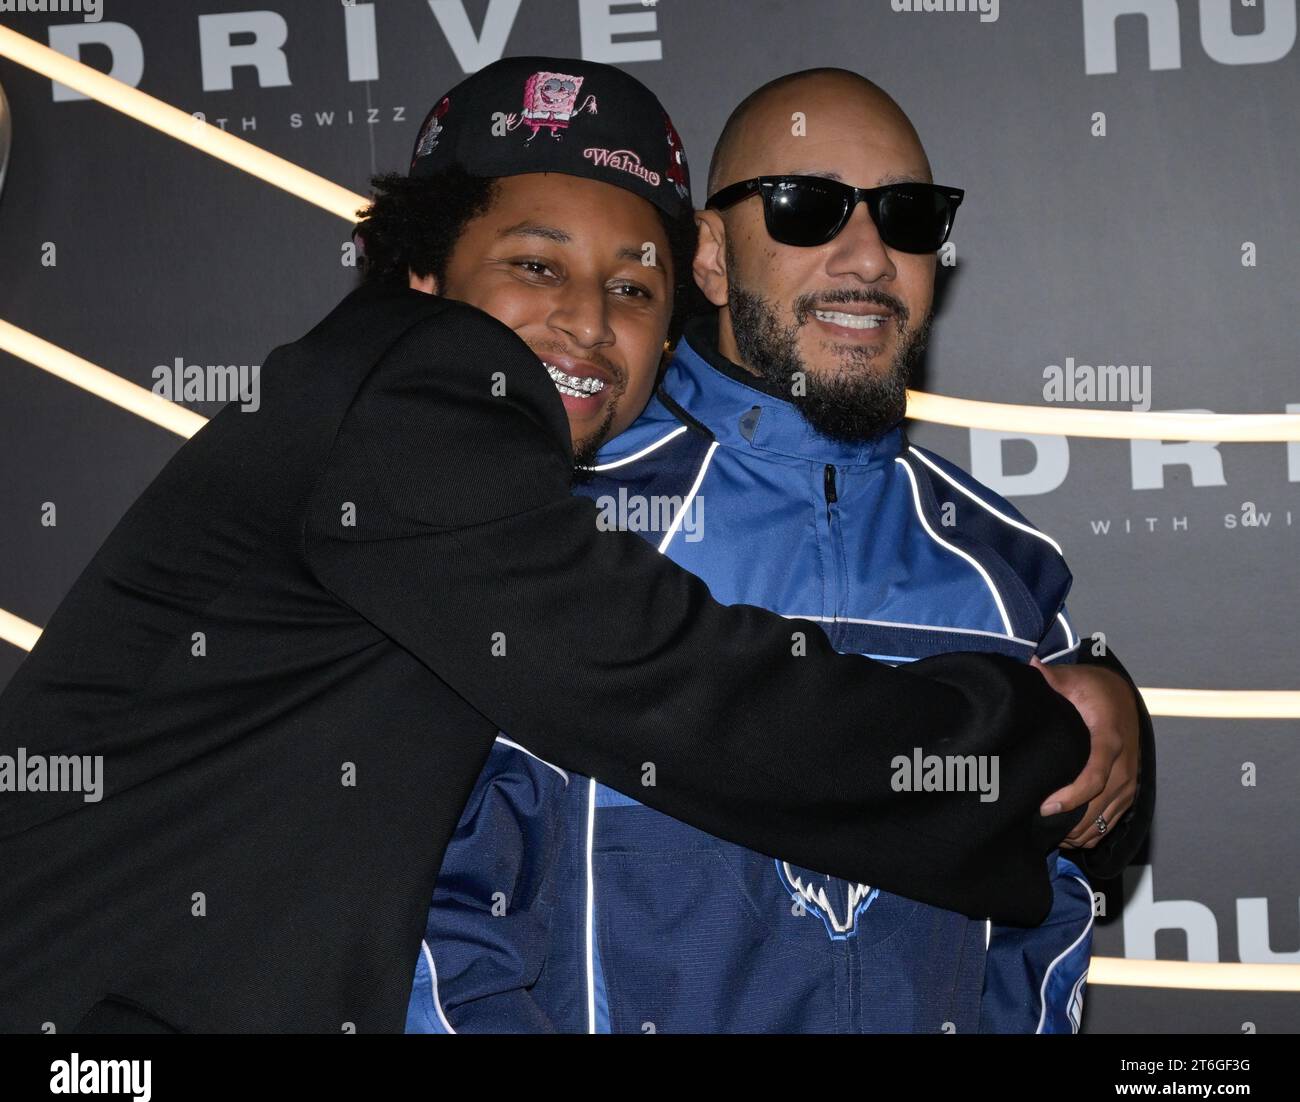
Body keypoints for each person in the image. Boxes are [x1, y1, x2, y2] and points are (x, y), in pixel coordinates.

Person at [0, 57, 1101, 1035]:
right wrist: (1056, 733)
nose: (586, 318)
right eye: (536, 265)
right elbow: (677, 688)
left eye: (632, 286)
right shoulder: (417, 392)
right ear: (421, 273)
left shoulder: (420, 439)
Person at [405, 68, 1155, 1034]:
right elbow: (442, 928)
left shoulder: (1006, 571)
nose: (869, 257)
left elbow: (1041, 925)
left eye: (908, 216)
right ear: (709, 259)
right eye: (809, 207)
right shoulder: (555, 529)